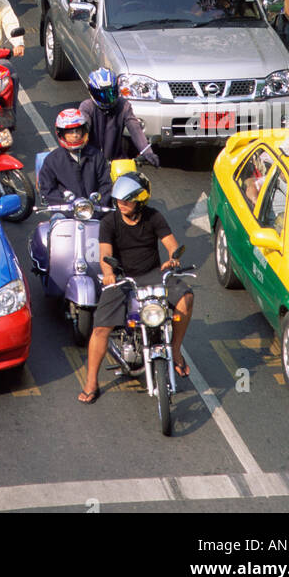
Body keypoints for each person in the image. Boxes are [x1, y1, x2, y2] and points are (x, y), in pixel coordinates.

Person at [79, 171, 194, 403]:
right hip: (121, 278)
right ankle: (91, 381)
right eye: (119, 200)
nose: (122, 204)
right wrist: (109, 273)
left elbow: (171, 244)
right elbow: (105, 253)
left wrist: (172, 259)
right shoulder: (109, 222)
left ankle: (176, 349)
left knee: (187, 297)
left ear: (140, 200)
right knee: (100, 328)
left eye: (128, 200)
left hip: (153, 274)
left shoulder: (154, 217)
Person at [78, 70, 160, 166]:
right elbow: (82, 130)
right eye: (102, 94)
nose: (107, 99)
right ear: (92, 92)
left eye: (111, 93)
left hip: (118, 162)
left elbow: (135, 129)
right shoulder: (87, 107)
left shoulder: (123, 105)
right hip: (92, 162)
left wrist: (147, 152)